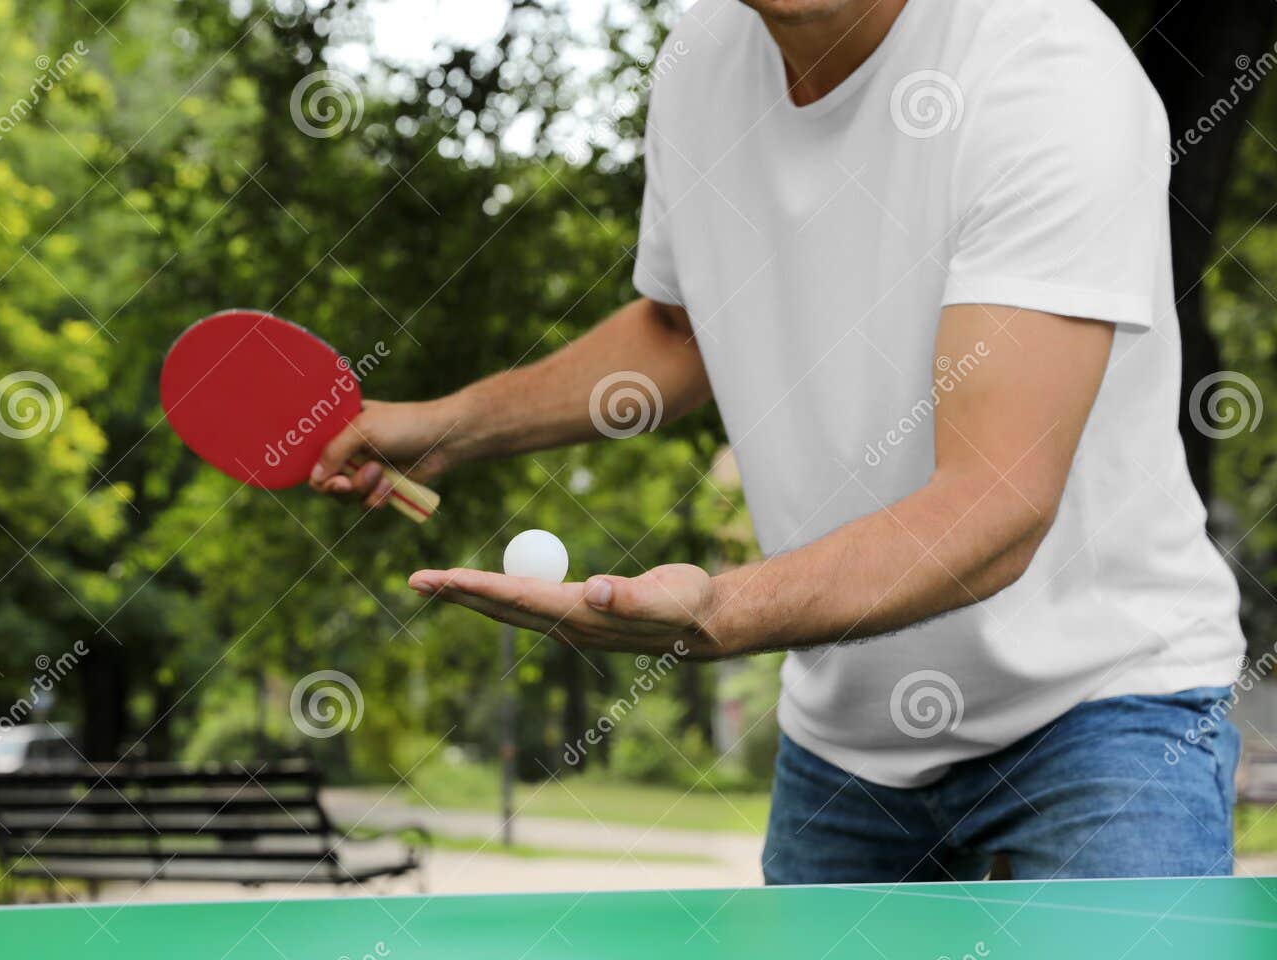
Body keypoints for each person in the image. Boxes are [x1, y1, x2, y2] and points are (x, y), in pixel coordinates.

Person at [312, 0, 1246, 884]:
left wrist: (717, 610)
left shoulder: (1048, 71)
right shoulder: (700, 61)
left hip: (1104, 707)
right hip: (847, 738)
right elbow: (682, 332)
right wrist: (448, 426)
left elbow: (994, 502)